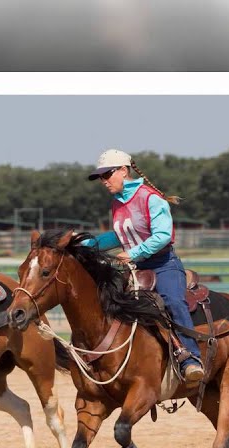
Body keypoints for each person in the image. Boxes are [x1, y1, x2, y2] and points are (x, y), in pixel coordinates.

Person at [82, 149, 205, 385]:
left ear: (123, 170)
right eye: (101, 177)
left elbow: (162, 235)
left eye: (107, 175)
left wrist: (133, 253)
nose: (104, 181)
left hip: (163, 264)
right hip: (137, 268)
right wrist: (87, 244)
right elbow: (121, 235)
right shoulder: (117, 203)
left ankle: (191, 359)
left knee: (172, 302)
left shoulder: (150, 198)